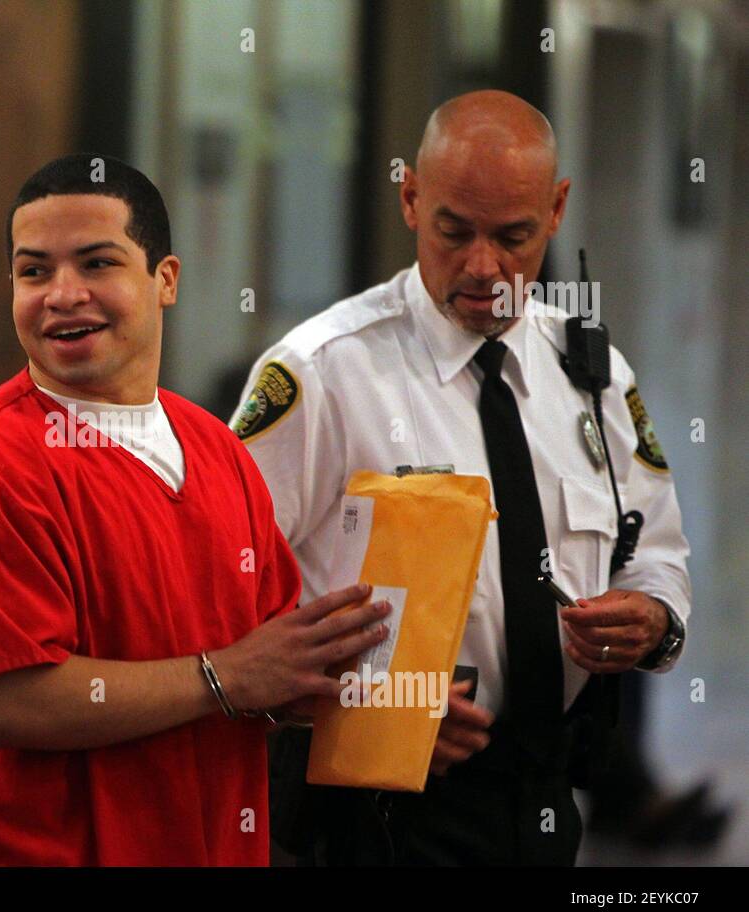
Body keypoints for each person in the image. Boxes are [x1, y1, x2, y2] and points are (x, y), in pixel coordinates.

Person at [233, 90, 692, 866]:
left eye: (514, 236)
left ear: (556, 209)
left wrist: (651, 618)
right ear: (410, 198)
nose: (485, 267)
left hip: (541, 803)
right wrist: (371, 706)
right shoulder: (323, 374)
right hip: (365, 815)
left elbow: (656, 550)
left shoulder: (594, 376)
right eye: (455, 230)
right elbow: (220, 595)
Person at [0, 154, 391, 866]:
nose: (62, 295)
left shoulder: (219, 452)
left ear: (165, 279)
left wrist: (375, 706)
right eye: (35, 271)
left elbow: (268, 666)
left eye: (96, 264)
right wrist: (221, 679)